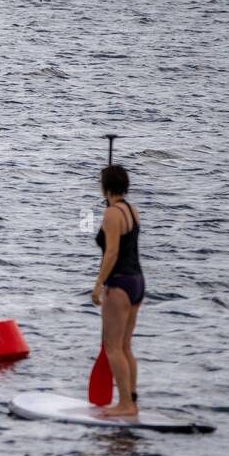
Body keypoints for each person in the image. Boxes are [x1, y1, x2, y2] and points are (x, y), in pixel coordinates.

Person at [92, 165, 145, 417]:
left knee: (112, 347)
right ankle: (131, 401)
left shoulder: (112, 214)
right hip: (137, 282)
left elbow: (112, 252)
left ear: (106, 186)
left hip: (120, 284)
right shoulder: (132, 210)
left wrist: (99, 284)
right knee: (125, 346)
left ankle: (125, 404)